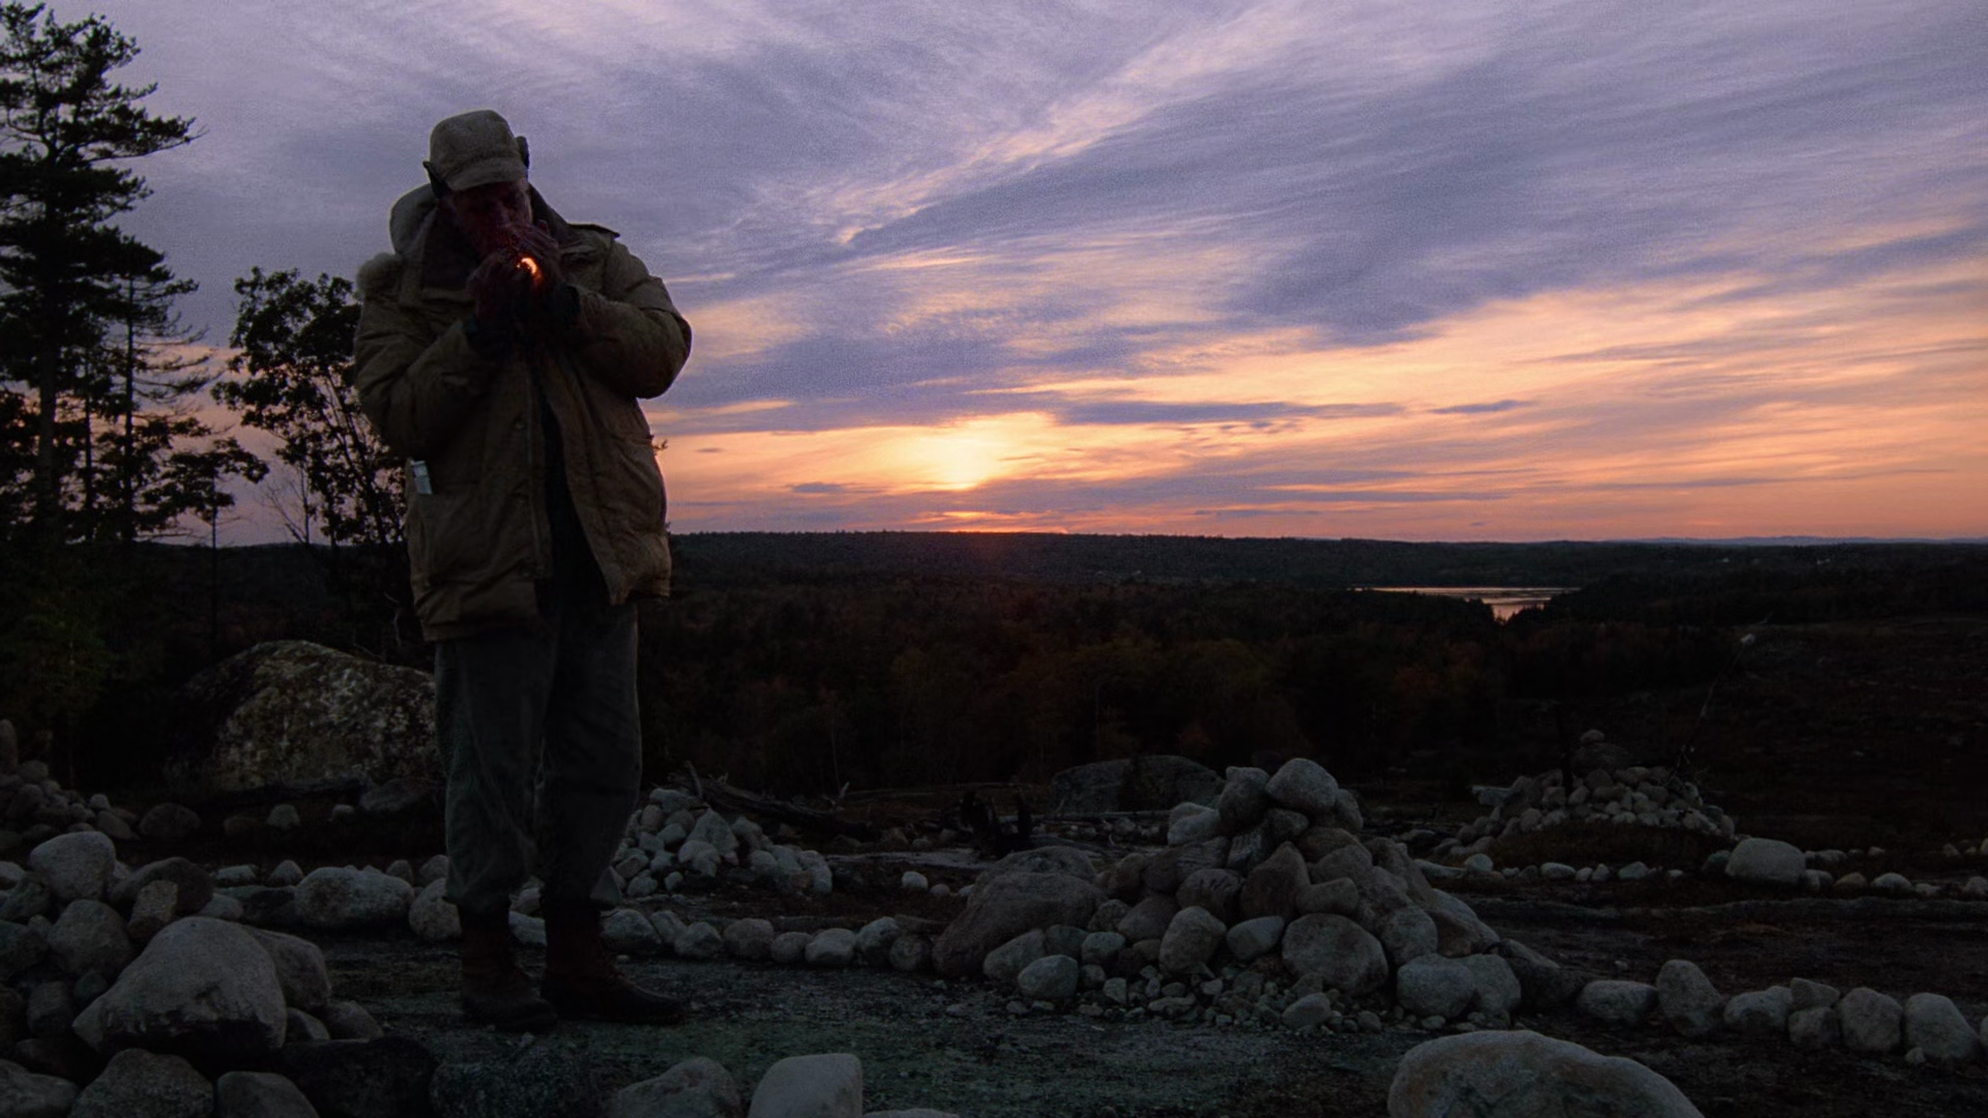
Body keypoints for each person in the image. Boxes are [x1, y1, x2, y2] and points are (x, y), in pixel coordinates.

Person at [354, 109, 691, 1030]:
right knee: (490, 770)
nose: (500, 218)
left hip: (600, 554)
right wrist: (478, 334)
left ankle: (580, 953)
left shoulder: (592, 259)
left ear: (528, 176)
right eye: (478, 205)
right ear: (443, 199)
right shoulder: (401, 291)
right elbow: (397, 415)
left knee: (603, 763)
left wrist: (569, 307)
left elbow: (664, 350)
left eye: (509, 196)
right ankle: (488, 957)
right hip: (488, 562)